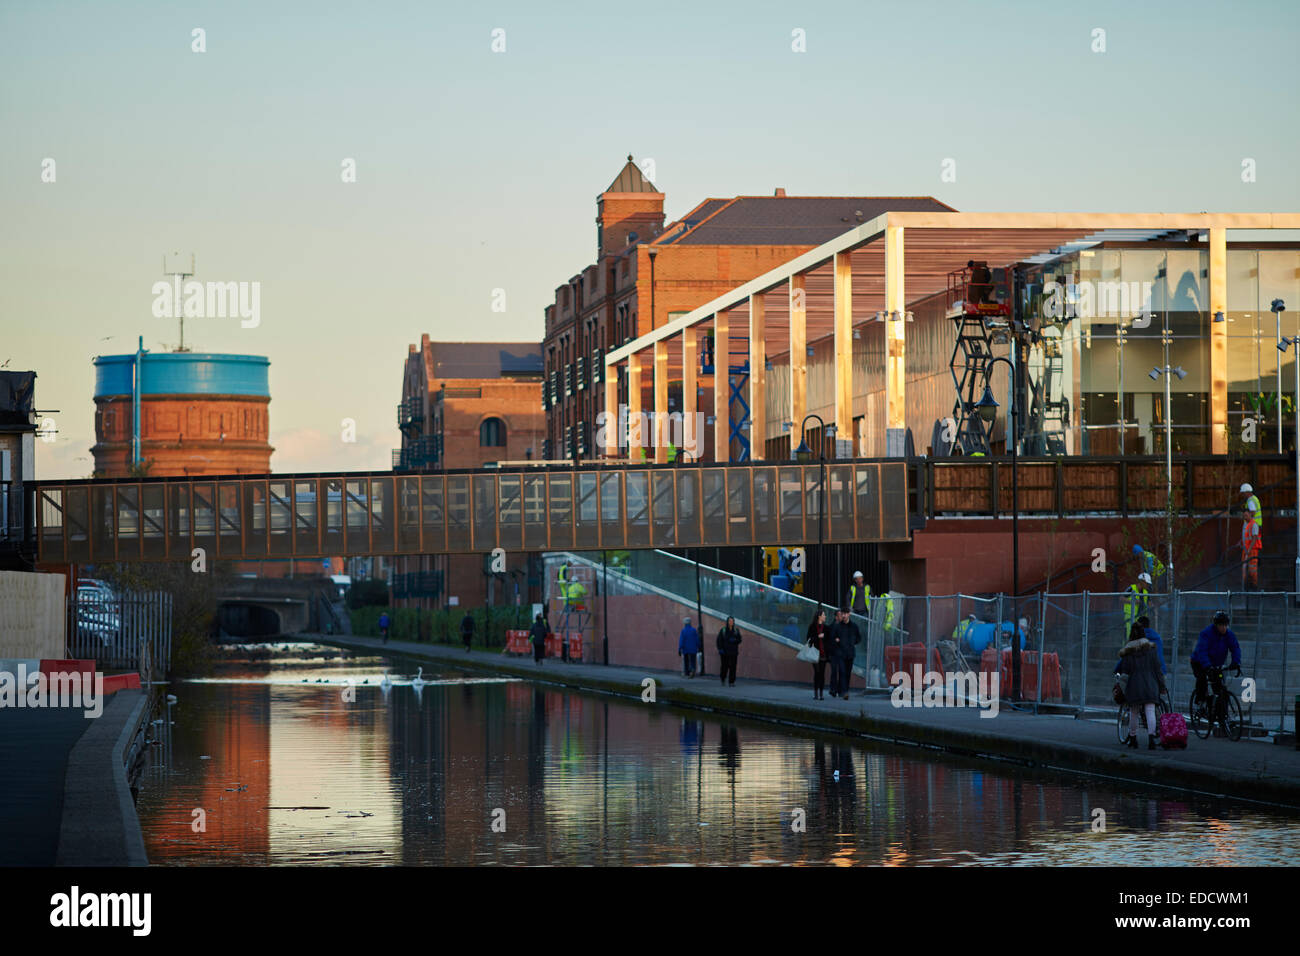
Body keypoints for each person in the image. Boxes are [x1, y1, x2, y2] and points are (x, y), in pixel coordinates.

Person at [1115, 621, 1166, 750]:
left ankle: (1133, 738)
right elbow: (1158, 670)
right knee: (1150, 711)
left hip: (1134, 686)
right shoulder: (1151, 649)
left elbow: (1125, 670)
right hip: (1151, 684)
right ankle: (1151, 739)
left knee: (1134, 712)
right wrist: (1162, 686)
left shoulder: (1128, 652)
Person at [1191, 610, 1242, 719]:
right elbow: (1202, 651)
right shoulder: (1206, 633)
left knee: (1219, 688)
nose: (1223, 628)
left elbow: (1235, 648)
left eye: (1225, 625)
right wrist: (1207, 666)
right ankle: (1200, 701)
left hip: (1216, 663)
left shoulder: (1229, 635)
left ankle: (1221, 715)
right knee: (1202, 679)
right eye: (1221, 625)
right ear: (1216, 625)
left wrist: (1236, 662)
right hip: (1199, 662)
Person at [828, 607, 861, 699]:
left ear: (849, 614)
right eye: (842, 613)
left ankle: (845, 690)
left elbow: (859, 638)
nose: (843, 615)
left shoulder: (854, 626)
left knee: (847, 673)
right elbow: (832, 638)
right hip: (840, 653)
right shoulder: (837, 626)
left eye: (845, 613)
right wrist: (836, 640)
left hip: (850, 653)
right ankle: (843, 692)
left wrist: (853, 642)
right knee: (842, 672)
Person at [1240, 482, 1262, 589]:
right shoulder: (1255, 499)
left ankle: (1253, 586)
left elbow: (1252, 512)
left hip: (1251, 547)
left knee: (1252, 568)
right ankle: (1249, 585)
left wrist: (1248, 519)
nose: (1242, 495)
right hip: (1249, 546)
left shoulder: (1250, 501)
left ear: (1246, 492)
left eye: (1243, 493)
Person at [805, 609, 829, 700]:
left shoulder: (826, 628)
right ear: (819, 616)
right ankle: (816, 693)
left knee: (822, 674)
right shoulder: (812, 627)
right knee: (817, 672)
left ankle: (821, 694)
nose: (825, 616)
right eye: (823, 615)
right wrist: (817, 637)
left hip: (823, 654)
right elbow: (808, 639)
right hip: (815, 653)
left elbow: (829, 640)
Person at [716, 616, 742, 686]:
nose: (731, 622)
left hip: (733, 652)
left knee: (733, 667)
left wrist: (735, 640)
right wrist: (720, 649)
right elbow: (719, 640)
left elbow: (740, 640)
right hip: (725, 652)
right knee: (724, 666)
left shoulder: (736, 630)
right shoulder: (723, 630)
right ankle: (723, 679)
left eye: (732, 621)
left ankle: (731, 682)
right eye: (730, 621)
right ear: (727, 622)